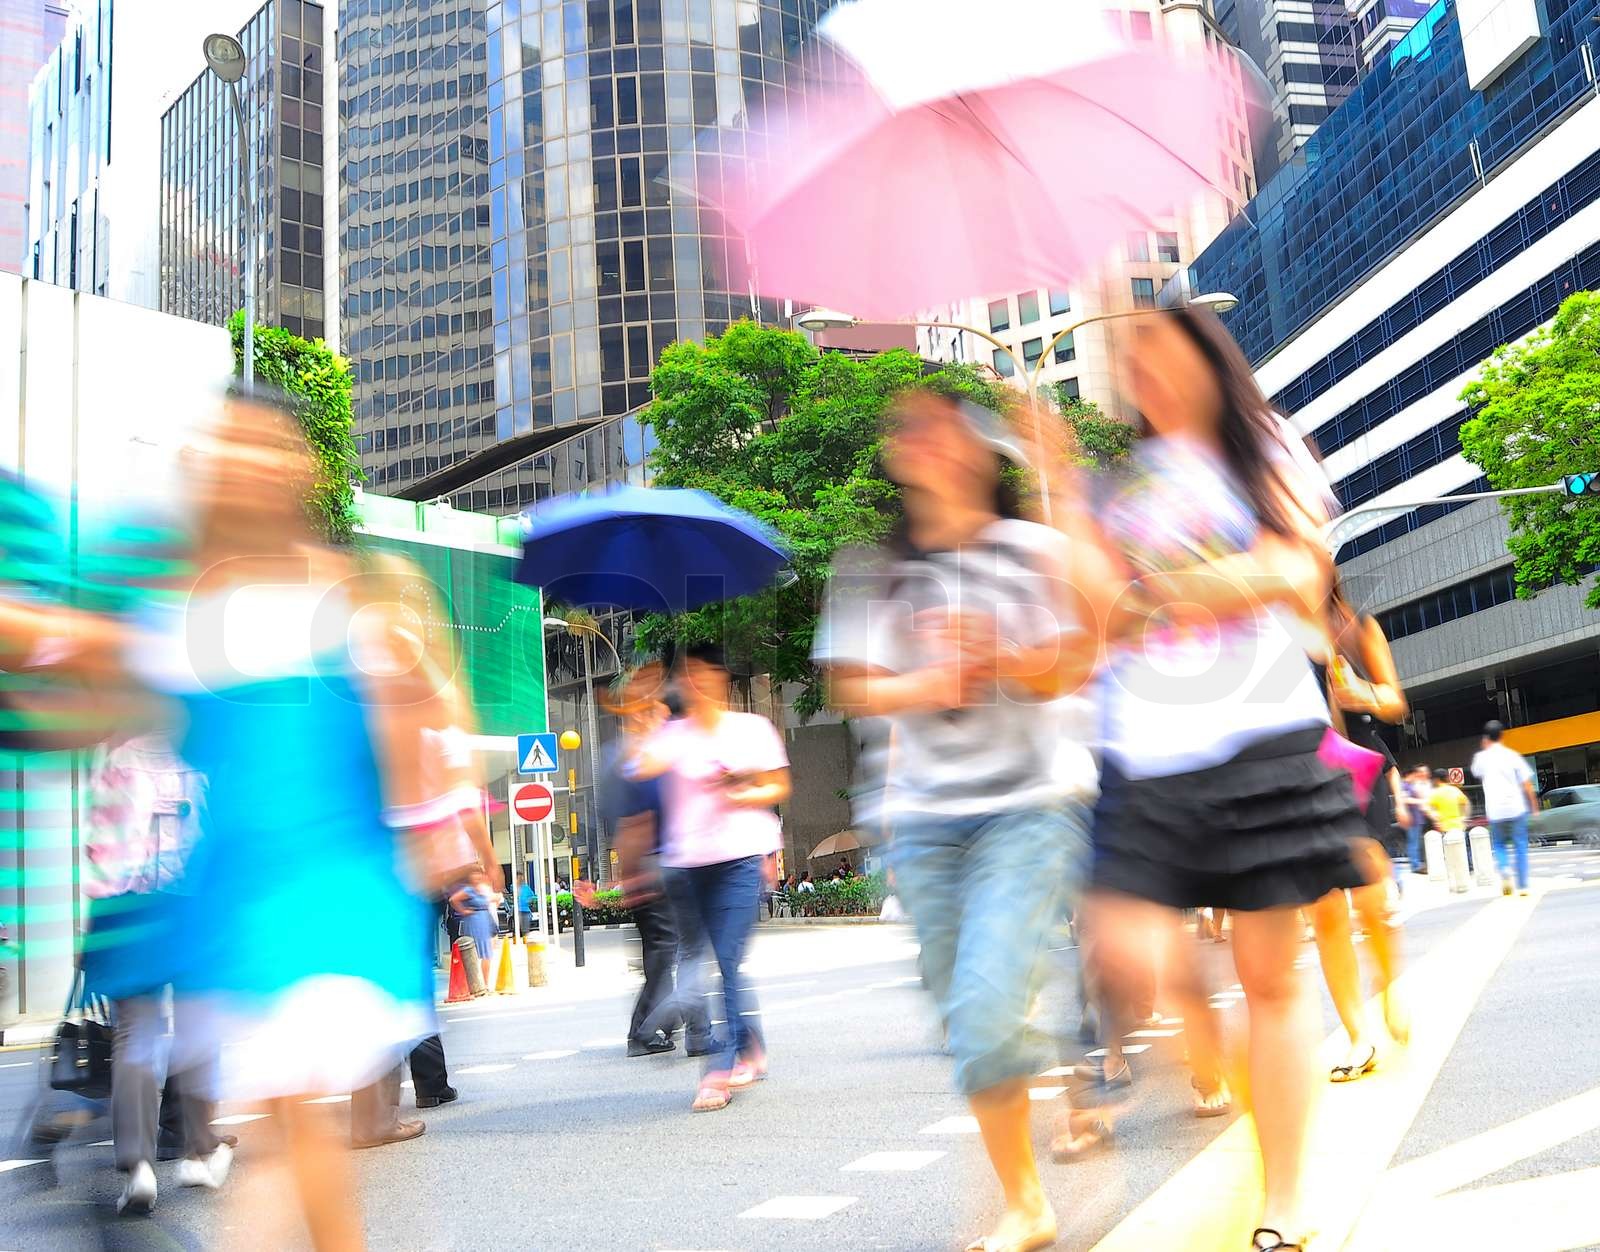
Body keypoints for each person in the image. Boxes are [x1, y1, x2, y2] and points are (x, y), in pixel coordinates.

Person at [1072, 307, 1367, 1252]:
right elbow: (1091, 613)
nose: (1145, 372)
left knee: (1270, 979)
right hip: (1144, 751)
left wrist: (1158, 593)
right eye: (1133, 361)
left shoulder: (1264, 447)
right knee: (1128, 953)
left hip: (1260, 736)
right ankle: (1214, 1072)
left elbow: (1300, 572)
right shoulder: (1119, 483)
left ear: (1210, 361)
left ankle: (1285, 1198)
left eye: (1163, 352)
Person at [126, 383, 434, 1250]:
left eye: (264, 446)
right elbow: (109, 704)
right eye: (229, 445)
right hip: (233, 908)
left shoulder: (340, 594)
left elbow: (410, 728)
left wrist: (431, 825)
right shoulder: (177, 602)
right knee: (283, 1134)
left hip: (332, 895)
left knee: (286, 1120)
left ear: (298, 466)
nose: (245, 463)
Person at [815, 388, 1095, 1252]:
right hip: (922, 820)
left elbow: (1078, 661)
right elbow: (852, 685)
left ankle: (1034, 1175)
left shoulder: (1031, 549)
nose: (922, 440)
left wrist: (1002, 655)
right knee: (966, 1018)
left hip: (1030, 804)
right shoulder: (871, 567)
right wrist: (932, 677)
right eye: (907, 429)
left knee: (983, 1003)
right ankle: (1028, 1199)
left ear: (980, 449)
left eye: (940, 425)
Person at [625, 643, 791, 1114]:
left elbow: (779, 785)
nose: (693, 683)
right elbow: (638, 768)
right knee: (698, 961)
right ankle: (749, 1045)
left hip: (740, 858)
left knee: (727, 961)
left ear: (720, 679)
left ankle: (718, 1068)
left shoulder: (752, 729)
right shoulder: (674, 734)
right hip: (687, 865)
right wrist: (643, 723)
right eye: (686, 675)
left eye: (701, 673)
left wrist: (739, 787)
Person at [81, 731, 233, 1214]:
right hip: (192, 908)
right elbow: (219, 838)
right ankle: (198, 1152)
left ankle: (139, 1167)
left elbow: (98, 850)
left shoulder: (119, 760)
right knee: (196, 1026)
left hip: (128, 909)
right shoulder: (201, 756)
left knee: (135, 1034)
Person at [1306, 582, 1410, 1081]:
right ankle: (1356, 1036)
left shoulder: (1356, 625)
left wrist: (1359, 692)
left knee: (1372, 902)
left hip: (1356, 767)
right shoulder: (1270, 632)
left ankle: (1388, 985)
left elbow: (1394, 700)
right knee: (1325, 912)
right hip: (1300, 772)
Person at [603, 658, 691, 1057]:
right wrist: (632, 875)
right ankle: (644, 1030)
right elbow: (632, 823)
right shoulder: (629, 757)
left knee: (670, 950)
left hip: (668, 862)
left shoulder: (649, 750)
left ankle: (665, 1022)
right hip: (654, 866)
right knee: (662, 952)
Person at [1471, 721, 1537, 896]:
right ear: (1502, 735)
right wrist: (1534, 806)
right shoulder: (1512, 756)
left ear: (1486, 737)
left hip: (1495, 810)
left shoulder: (1481, 758)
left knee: (1499, 844)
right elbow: (1527, 784)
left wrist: (1484, 749)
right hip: (1516, 808)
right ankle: (1523, 886)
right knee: (1520, 845)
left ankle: (1504, 868)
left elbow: (1476, 772)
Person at [449, 872, 497, 991]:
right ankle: (472, 984)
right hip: (474, 922)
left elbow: (494, 898)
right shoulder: (469, 890)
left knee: (487, 953)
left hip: (485, 921)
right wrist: (463, 911)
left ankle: (485, 983)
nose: (477, 879)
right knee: (472, 952)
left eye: (478, 877)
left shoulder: (483, 889)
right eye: (474, 877)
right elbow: (453, 900)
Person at [1402, 765, 1433, 874]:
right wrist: (1421, 801)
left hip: (1416, 818)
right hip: (1411, 819)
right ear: (1409, 775)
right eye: (1415, 775)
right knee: (1413, 842)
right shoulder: (1404, 786)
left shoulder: (1410, 786)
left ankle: (1417, 863)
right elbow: (1405, 800)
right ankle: (1415, 865)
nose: (1416, 778)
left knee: (1416, 842)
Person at [1427, 768, 1471, 839]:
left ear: (1436, 779)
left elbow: (1428, 809)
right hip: (1459, 827)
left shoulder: (1435, 793)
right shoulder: (1455, 790)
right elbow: (1466, 803)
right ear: (1447, 778)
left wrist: (1436, 820)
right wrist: (1464, 817)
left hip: (1444, 828)